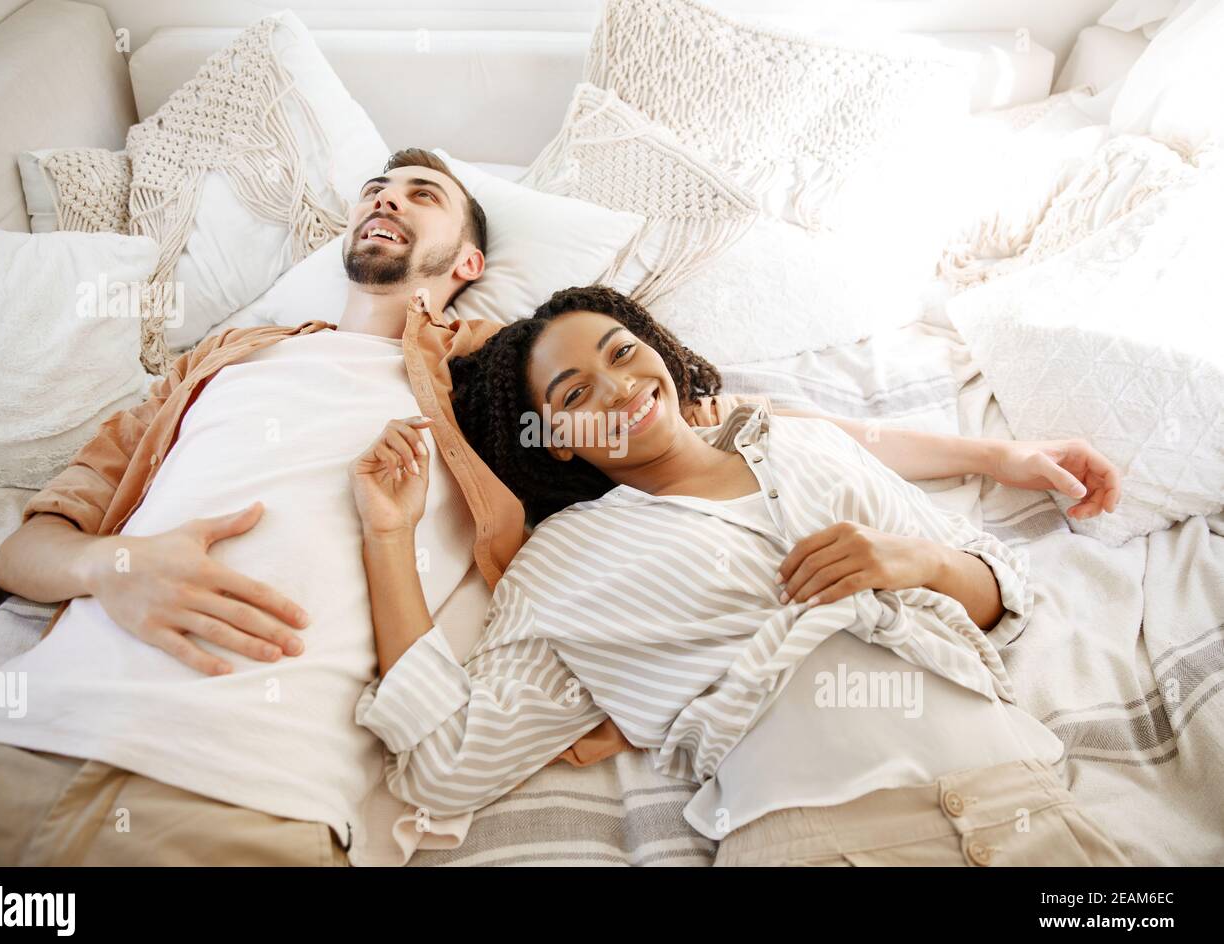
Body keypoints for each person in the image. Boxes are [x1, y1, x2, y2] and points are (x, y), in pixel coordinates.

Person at [349, 284, 1130, 866]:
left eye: (621, 351)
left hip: (1021, 799)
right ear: (554, 441)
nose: (619, 387)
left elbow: (1001, 597)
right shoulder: (567, 561)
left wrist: (917, 562)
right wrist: (390, 537)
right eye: (575, 394)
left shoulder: (804, 447)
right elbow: (446, 765)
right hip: (816, 837)